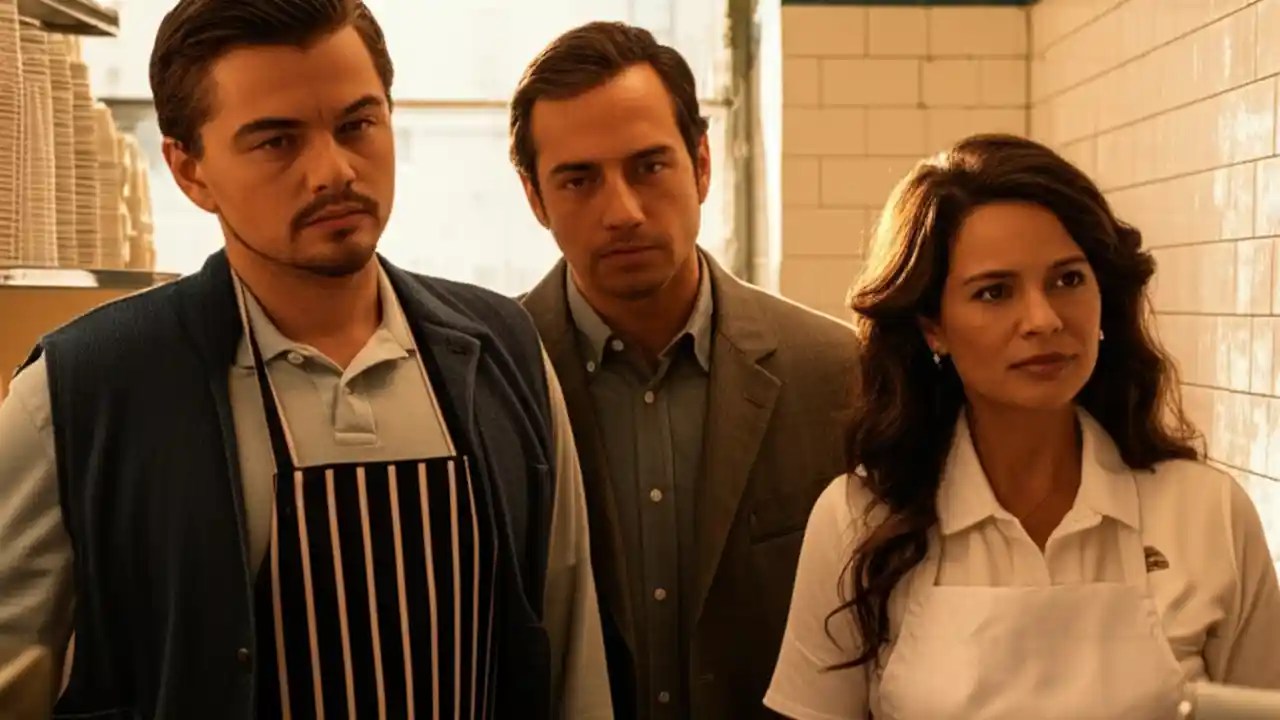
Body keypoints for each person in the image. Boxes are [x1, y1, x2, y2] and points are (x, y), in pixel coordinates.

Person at [0, 1, 613, 718]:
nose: (332, 171)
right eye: (276, 141)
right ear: (188, 169)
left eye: (357, 124)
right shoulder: (81, 394)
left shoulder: (500, 350)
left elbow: (572, 660)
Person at [765, 134, 1280, 720]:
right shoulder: (858, 521)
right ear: (933, 327)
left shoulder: (1206, 512)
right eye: (994, 292)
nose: (1043, 319)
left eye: (1067, 280)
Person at [513, 21, 861, 720]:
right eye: (579, 179)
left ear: (701, 164)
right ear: (535, 198)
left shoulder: (837, 375)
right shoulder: (490, 379)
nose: (623, 211)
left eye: (649, 166)